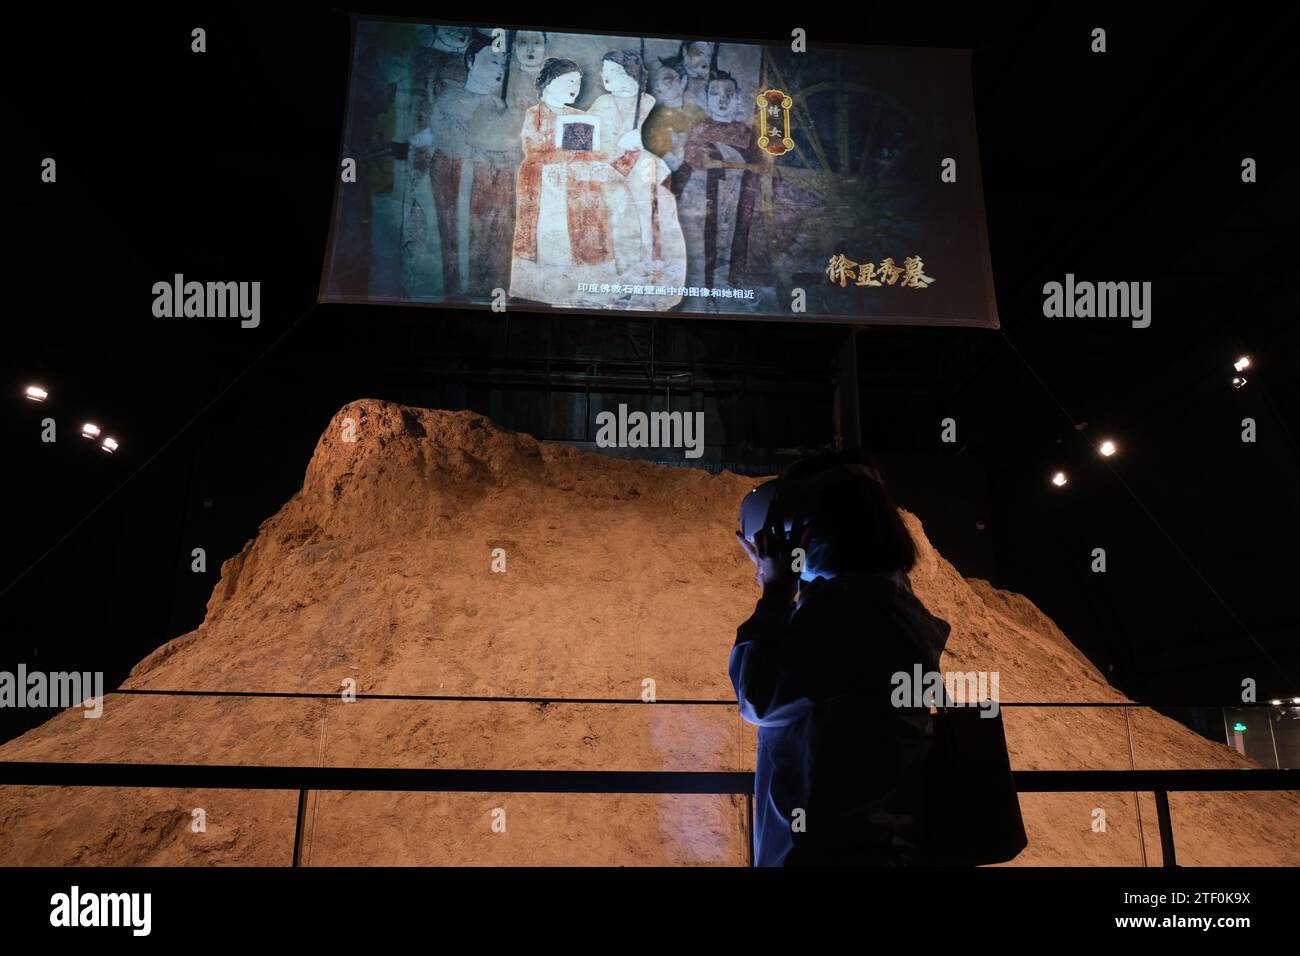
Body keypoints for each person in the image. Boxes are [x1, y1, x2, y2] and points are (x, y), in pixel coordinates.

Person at [730, 449, 951, 866]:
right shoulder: (888, 603)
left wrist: (775, 594)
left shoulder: (851, 612)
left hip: (831, 853)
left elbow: (757, 696)